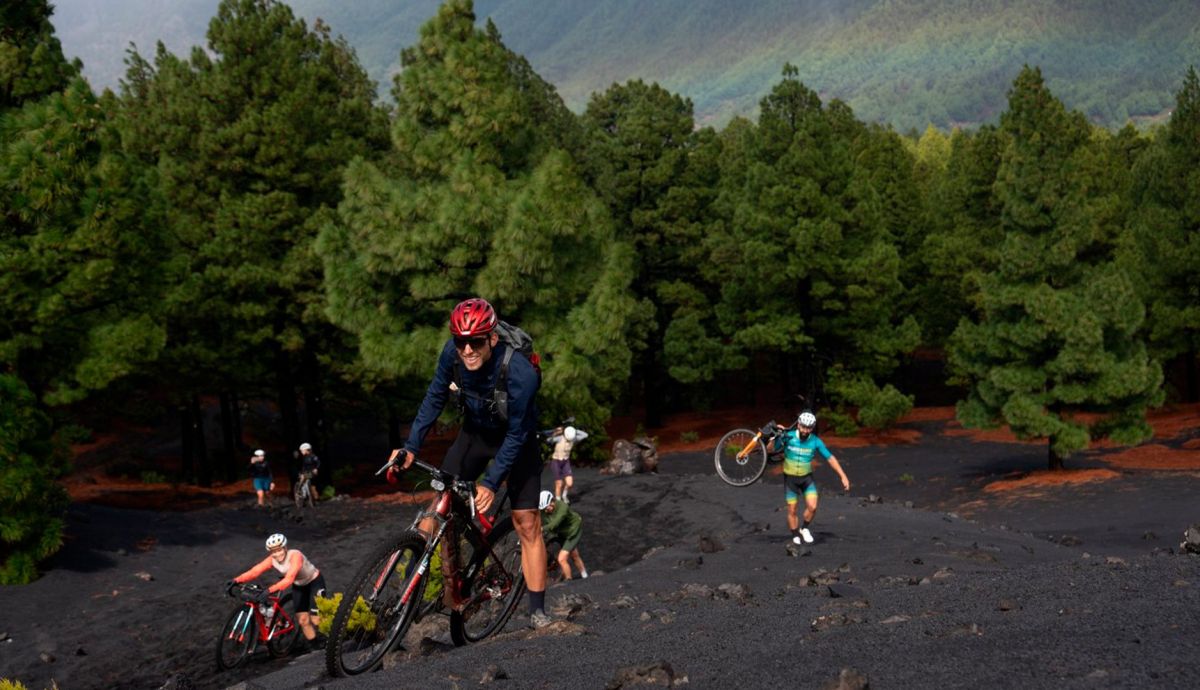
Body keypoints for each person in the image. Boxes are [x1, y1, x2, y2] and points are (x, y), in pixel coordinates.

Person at [387, 298, 551, 628]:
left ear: (491, 338)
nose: (467, 350)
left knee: (527, 522)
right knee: (438, 507)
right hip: (475, 435)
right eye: (460, 341)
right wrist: (411, 447)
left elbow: (519, 433)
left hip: (517, 442)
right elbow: (434, 397)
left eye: (475, 341)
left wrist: (490, 483)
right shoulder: (452, 354)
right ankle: (407, 592)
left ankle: (537, 611)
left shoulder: (520, 373)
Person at [228, 533, 327, 650]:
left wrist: (269, 590)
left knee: (316, 619)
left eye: (279, 550)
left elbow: (289, 578)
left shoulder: (295, 556)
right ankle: (314, 644)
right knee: (303, 620)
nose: (277, 554)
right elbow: (255, 571)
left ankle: (333, 636)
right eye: (273, 551)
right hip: (299, 585)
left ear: (285, 548)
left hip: (314, 582)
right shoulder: (272, 559)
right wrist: (236, 580)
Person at [773, 410, 850, 551]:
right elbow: (773, 449)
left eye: (808, 428)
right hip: (790, 479)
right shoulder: (788, 436)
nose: (805, 430)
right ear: (798, 425)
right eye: (803, 426)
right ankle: (795, 535)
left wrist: (843, 475)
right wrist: (777, 435)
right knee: (792, 509)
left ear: (812, 428)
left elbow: (830, 458)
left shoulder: (815, 441)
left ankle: (804, 528)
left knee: (813, 507)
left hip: (806, 478)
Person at [538, 490, 587, 581]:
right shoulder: (544, 510)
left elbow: (555, 523)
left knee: (562, 559)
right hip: (562, 532)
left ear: (552, 501)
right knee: (574, 555)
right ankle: (585, 575)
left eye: (547, 507)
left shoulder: (562, 507)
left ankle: (569, 581)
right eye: (543, 509)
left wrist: (542, 529)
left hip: (572, 532)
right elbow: (541, 519)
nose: (545, 510)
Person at [547, 424, 587, 503]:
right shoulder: (559, 438)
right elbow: (548, 440)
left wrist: (574, 430)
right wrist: (555, 433)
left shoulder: (573, 438)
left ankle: (564, 495)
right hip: (556, 461)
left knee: (569, 483)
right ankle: (558, 502)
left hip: (565, 462)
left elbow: (585, 435)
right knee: (559, 483)